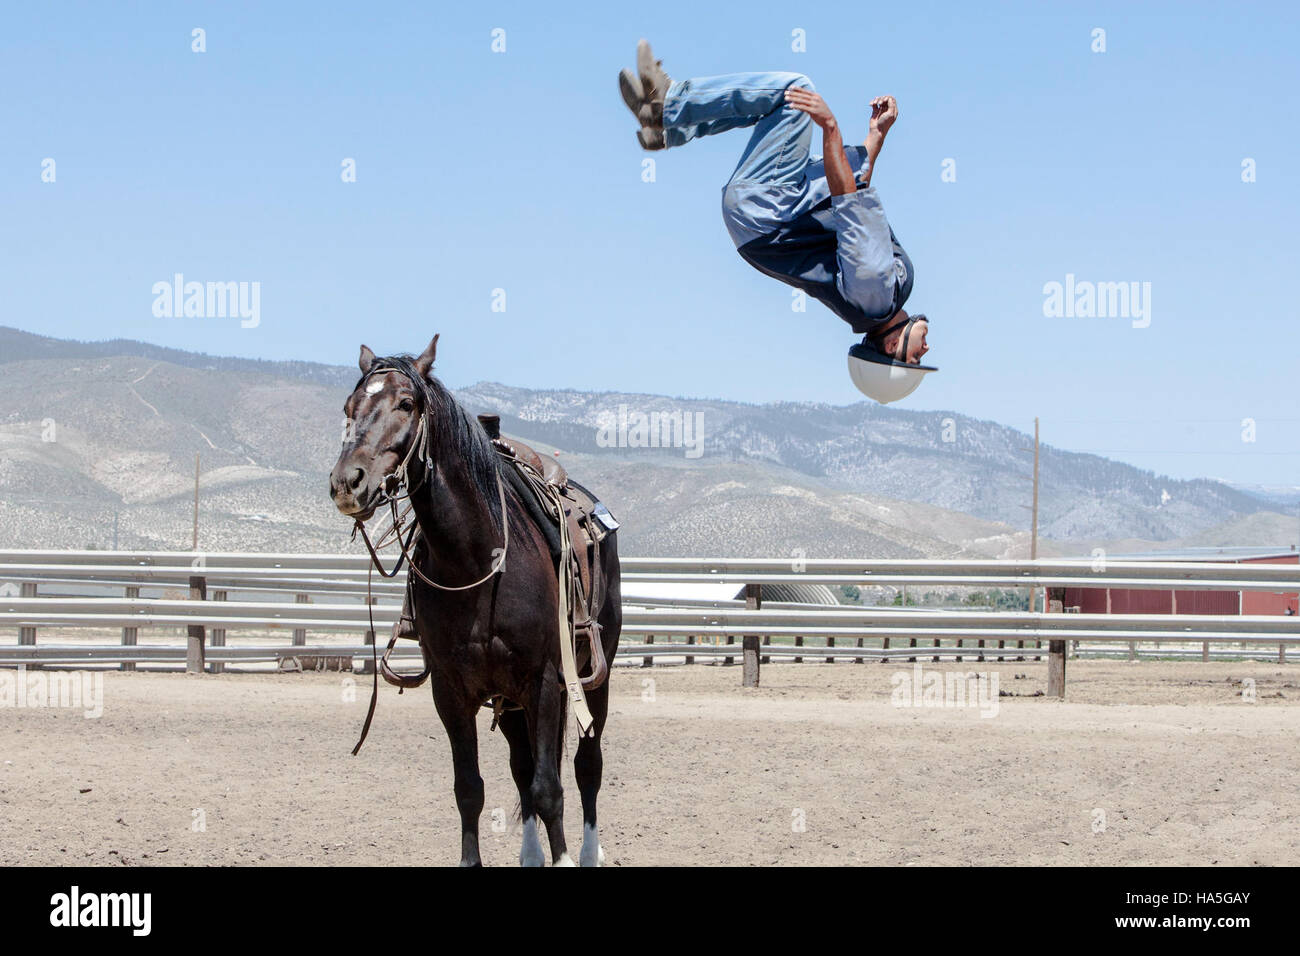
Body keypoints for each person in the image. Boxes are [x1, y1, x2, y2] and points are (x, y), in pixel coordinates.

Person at [619, 41, 936, 403]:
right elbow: (854, 206)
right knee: (777, 108)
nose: (926, 350)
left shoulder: (875, 294)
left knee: (795, 93)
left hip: (770, 213)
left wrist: (830, 127)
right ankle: (665, 128)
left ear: (892, 346)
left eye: (915, 358)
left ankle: (668, 106)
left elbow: (848, 202)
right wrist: (876, 135)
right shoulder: (876, 300)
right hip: (767, 221)